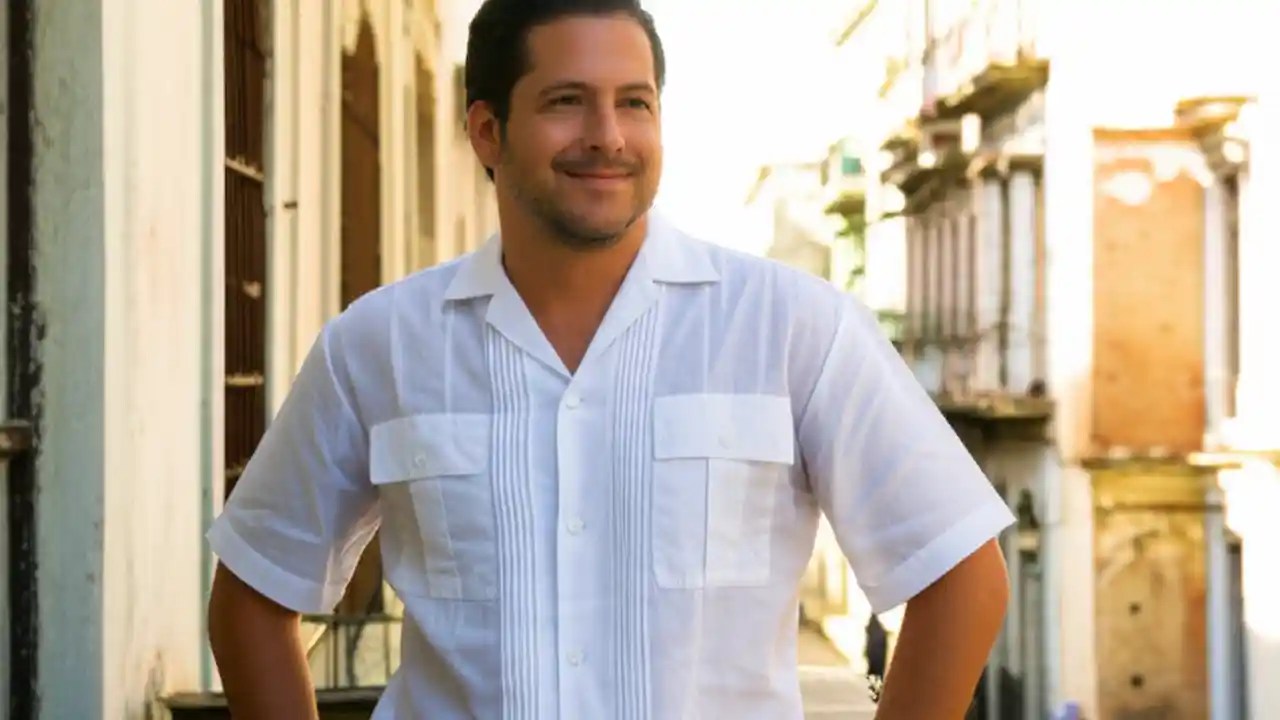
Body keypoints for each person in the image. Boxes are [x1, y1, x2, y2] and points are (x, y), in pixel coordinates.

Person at [205, 0, 1014, 717]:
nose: (608, 136)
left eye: (636, 103)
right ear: (487, 130)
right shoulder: (377, 345)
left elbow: (961, 578)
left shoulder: (792, 327)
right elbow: (251, 597)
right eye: (566, 103)